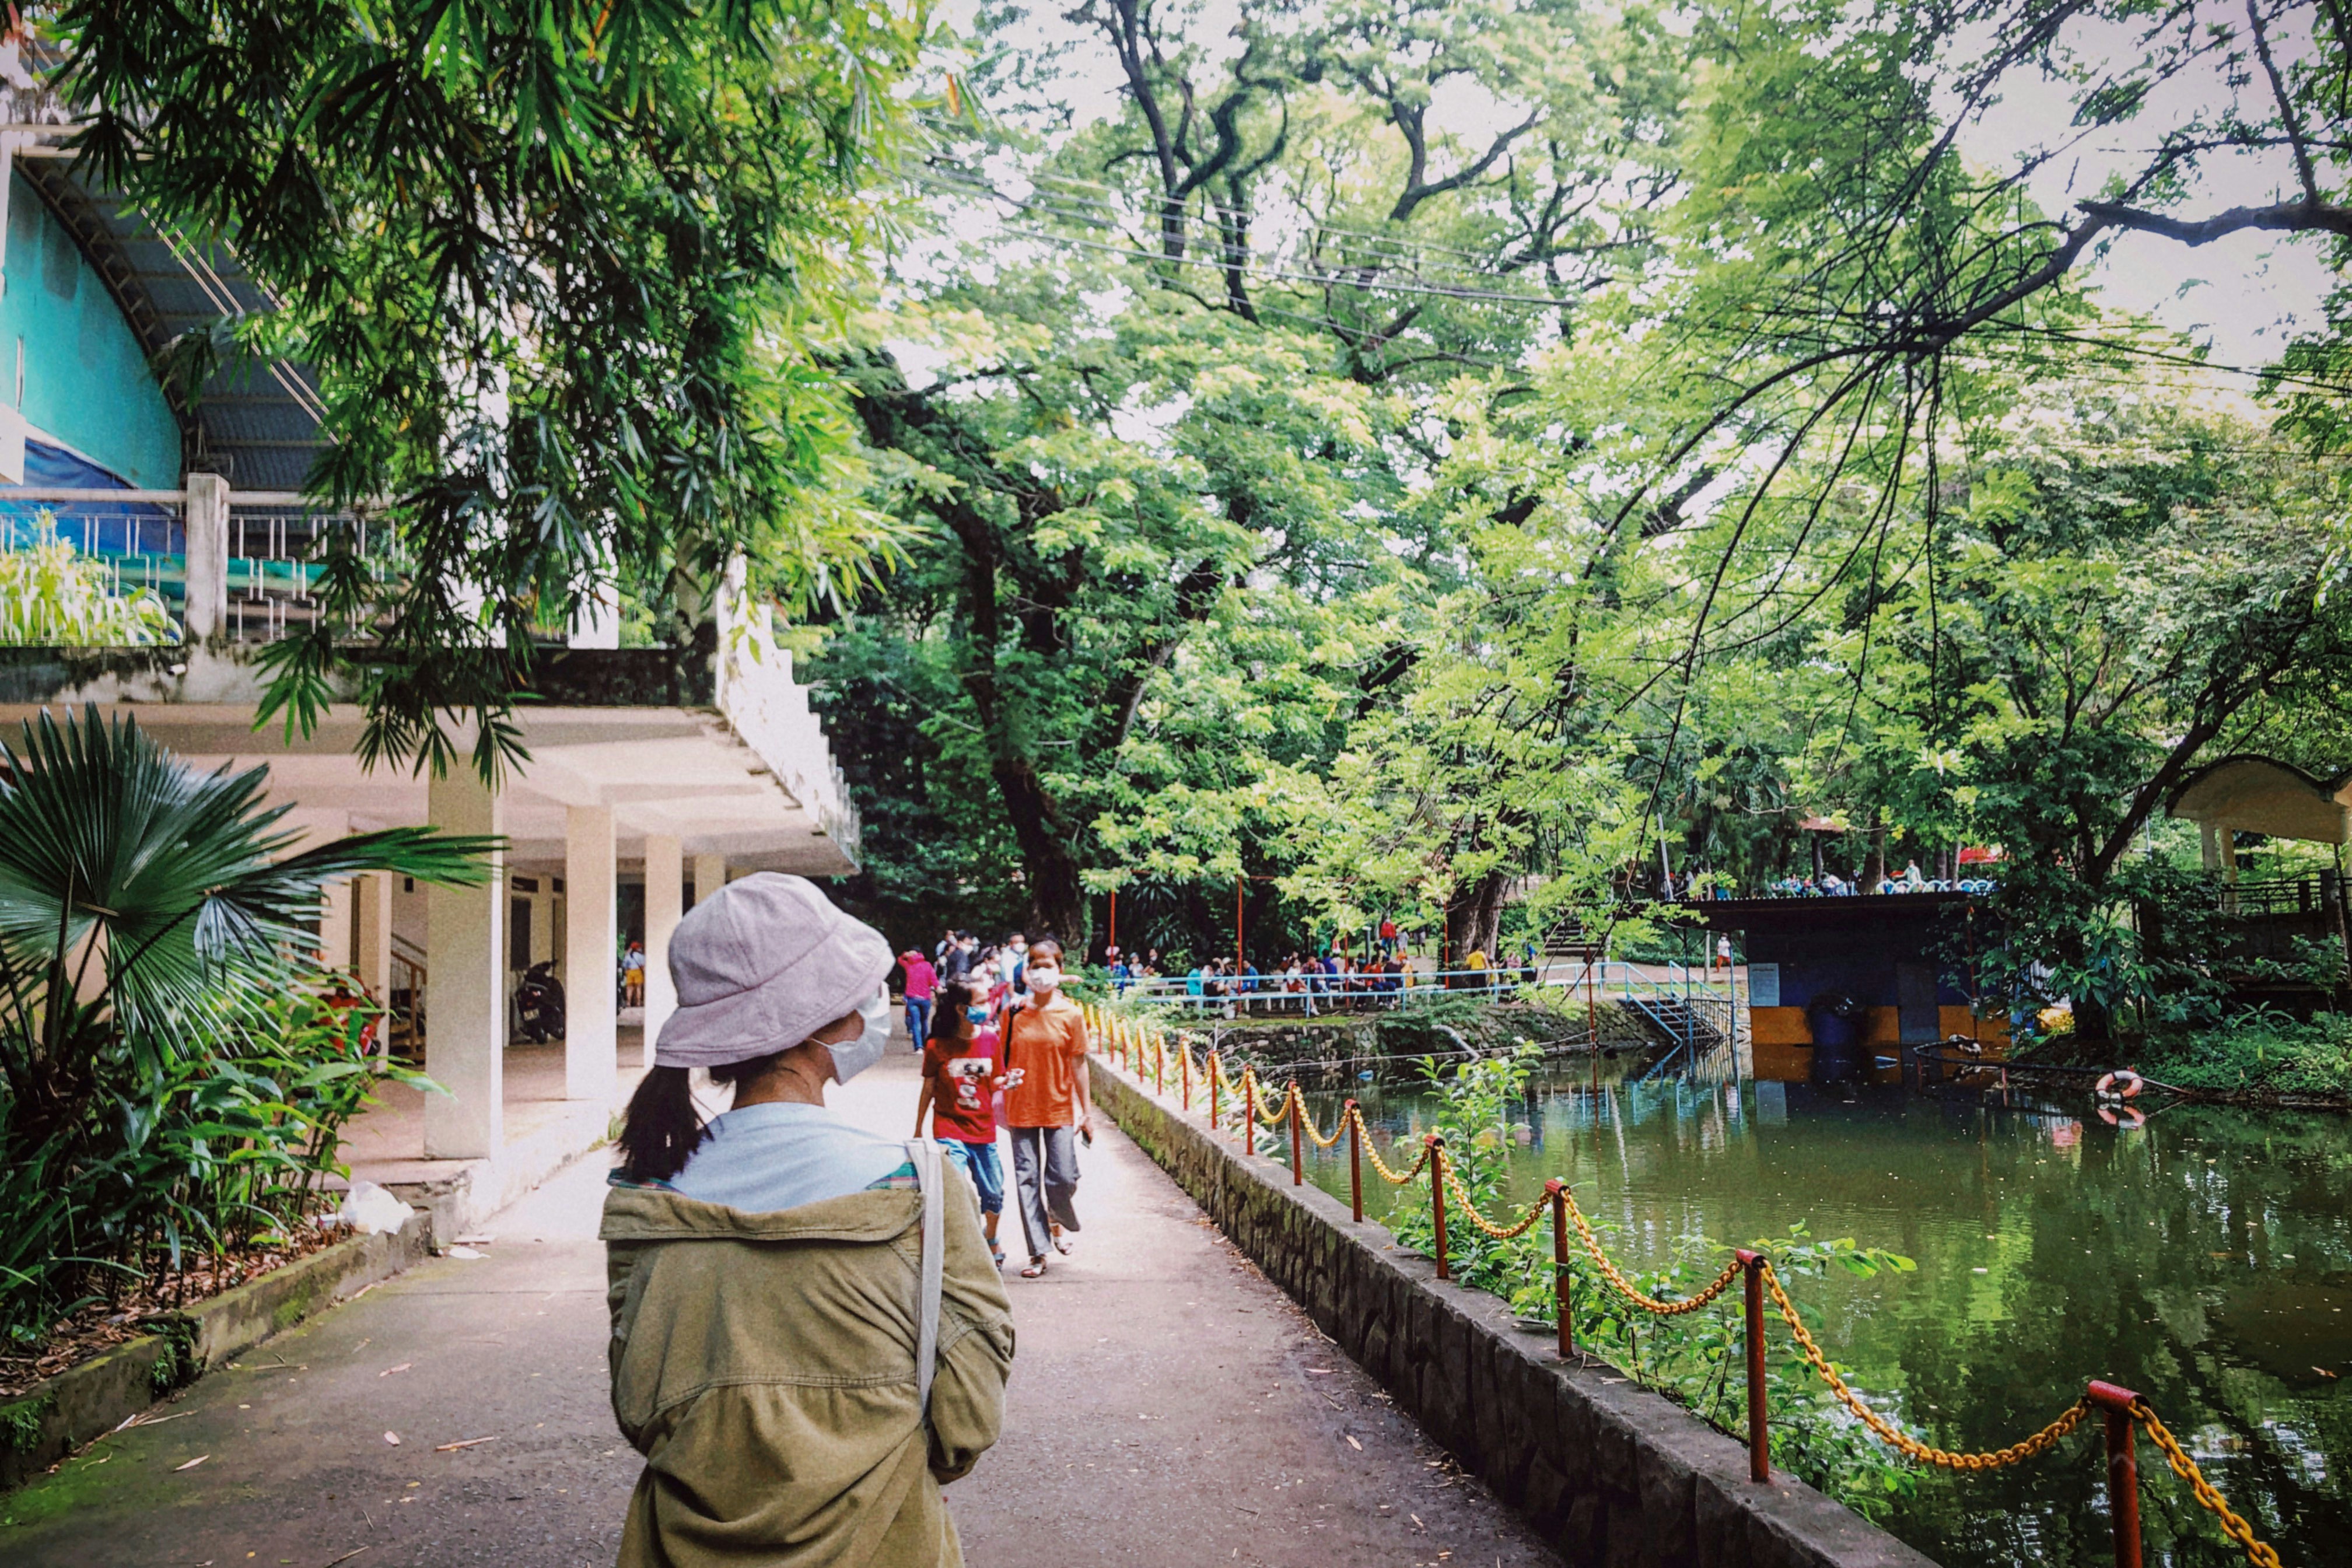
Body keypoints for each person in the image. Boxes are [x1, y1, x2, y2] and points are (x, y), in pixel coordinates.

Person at [604, 873, 1013, 1568]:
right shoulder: (918, 1187)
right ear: (826, 1024)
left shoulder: (645, 1198)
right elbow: (967, 1417)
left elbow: (641, 1406)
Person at [999, 939, 1091, 1279]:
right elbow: (1001, 1057)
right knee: (1027, 1179)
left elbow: (1079, 1064)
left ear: (1059, 970)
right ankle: (1038, 1252)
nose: (1041, 971)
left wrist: (1087, 1111)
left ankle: (1056, 1216)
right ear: (1026, 971)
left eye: (1047, 965)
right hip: (1021, 1105)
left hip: (1058, 1106)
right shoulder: (1014, 1012)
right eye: (1035, 965)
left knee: (1063, 1176)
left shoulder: (1071, 1013)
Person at [916, 978, 1010, 1269]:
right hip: (949, 1128)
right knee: (955, 1187)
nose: (987, 1007)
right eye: (981, 1003)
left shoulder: (991, 1039)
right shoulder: (937, 1046)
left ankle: (991, 1238)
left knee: (993, 1191)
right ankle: (955, 1247)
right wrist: (918, 1128)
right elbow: (929, 1088)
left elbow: (994, 1080)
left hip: (983, 1129)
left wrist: (1008, 1082)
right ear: (960, 1008)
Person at [901, 947, 939, 1054]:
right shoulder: (928, 965)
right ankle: (926, 1045)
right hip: (926, 998)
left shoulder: (909, 965)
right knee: (924, 1022)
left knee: (915, 1023)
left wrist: (905, 954)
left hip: (912, 998)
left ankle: (919, 1047)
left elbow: (900, 960)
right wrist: (938, 988)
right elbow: (934, 980)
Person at [621, 940, 646, 1008]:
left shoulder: (628, 956)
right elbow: (643, 966)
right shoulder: (641, 956)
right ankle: (638, 1003)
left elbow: (624, 965)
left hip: (630, 972)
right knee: (638, 988)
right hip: (638, 972)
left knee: (629, 988)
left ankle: (629, 1003)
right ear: (637, 948)